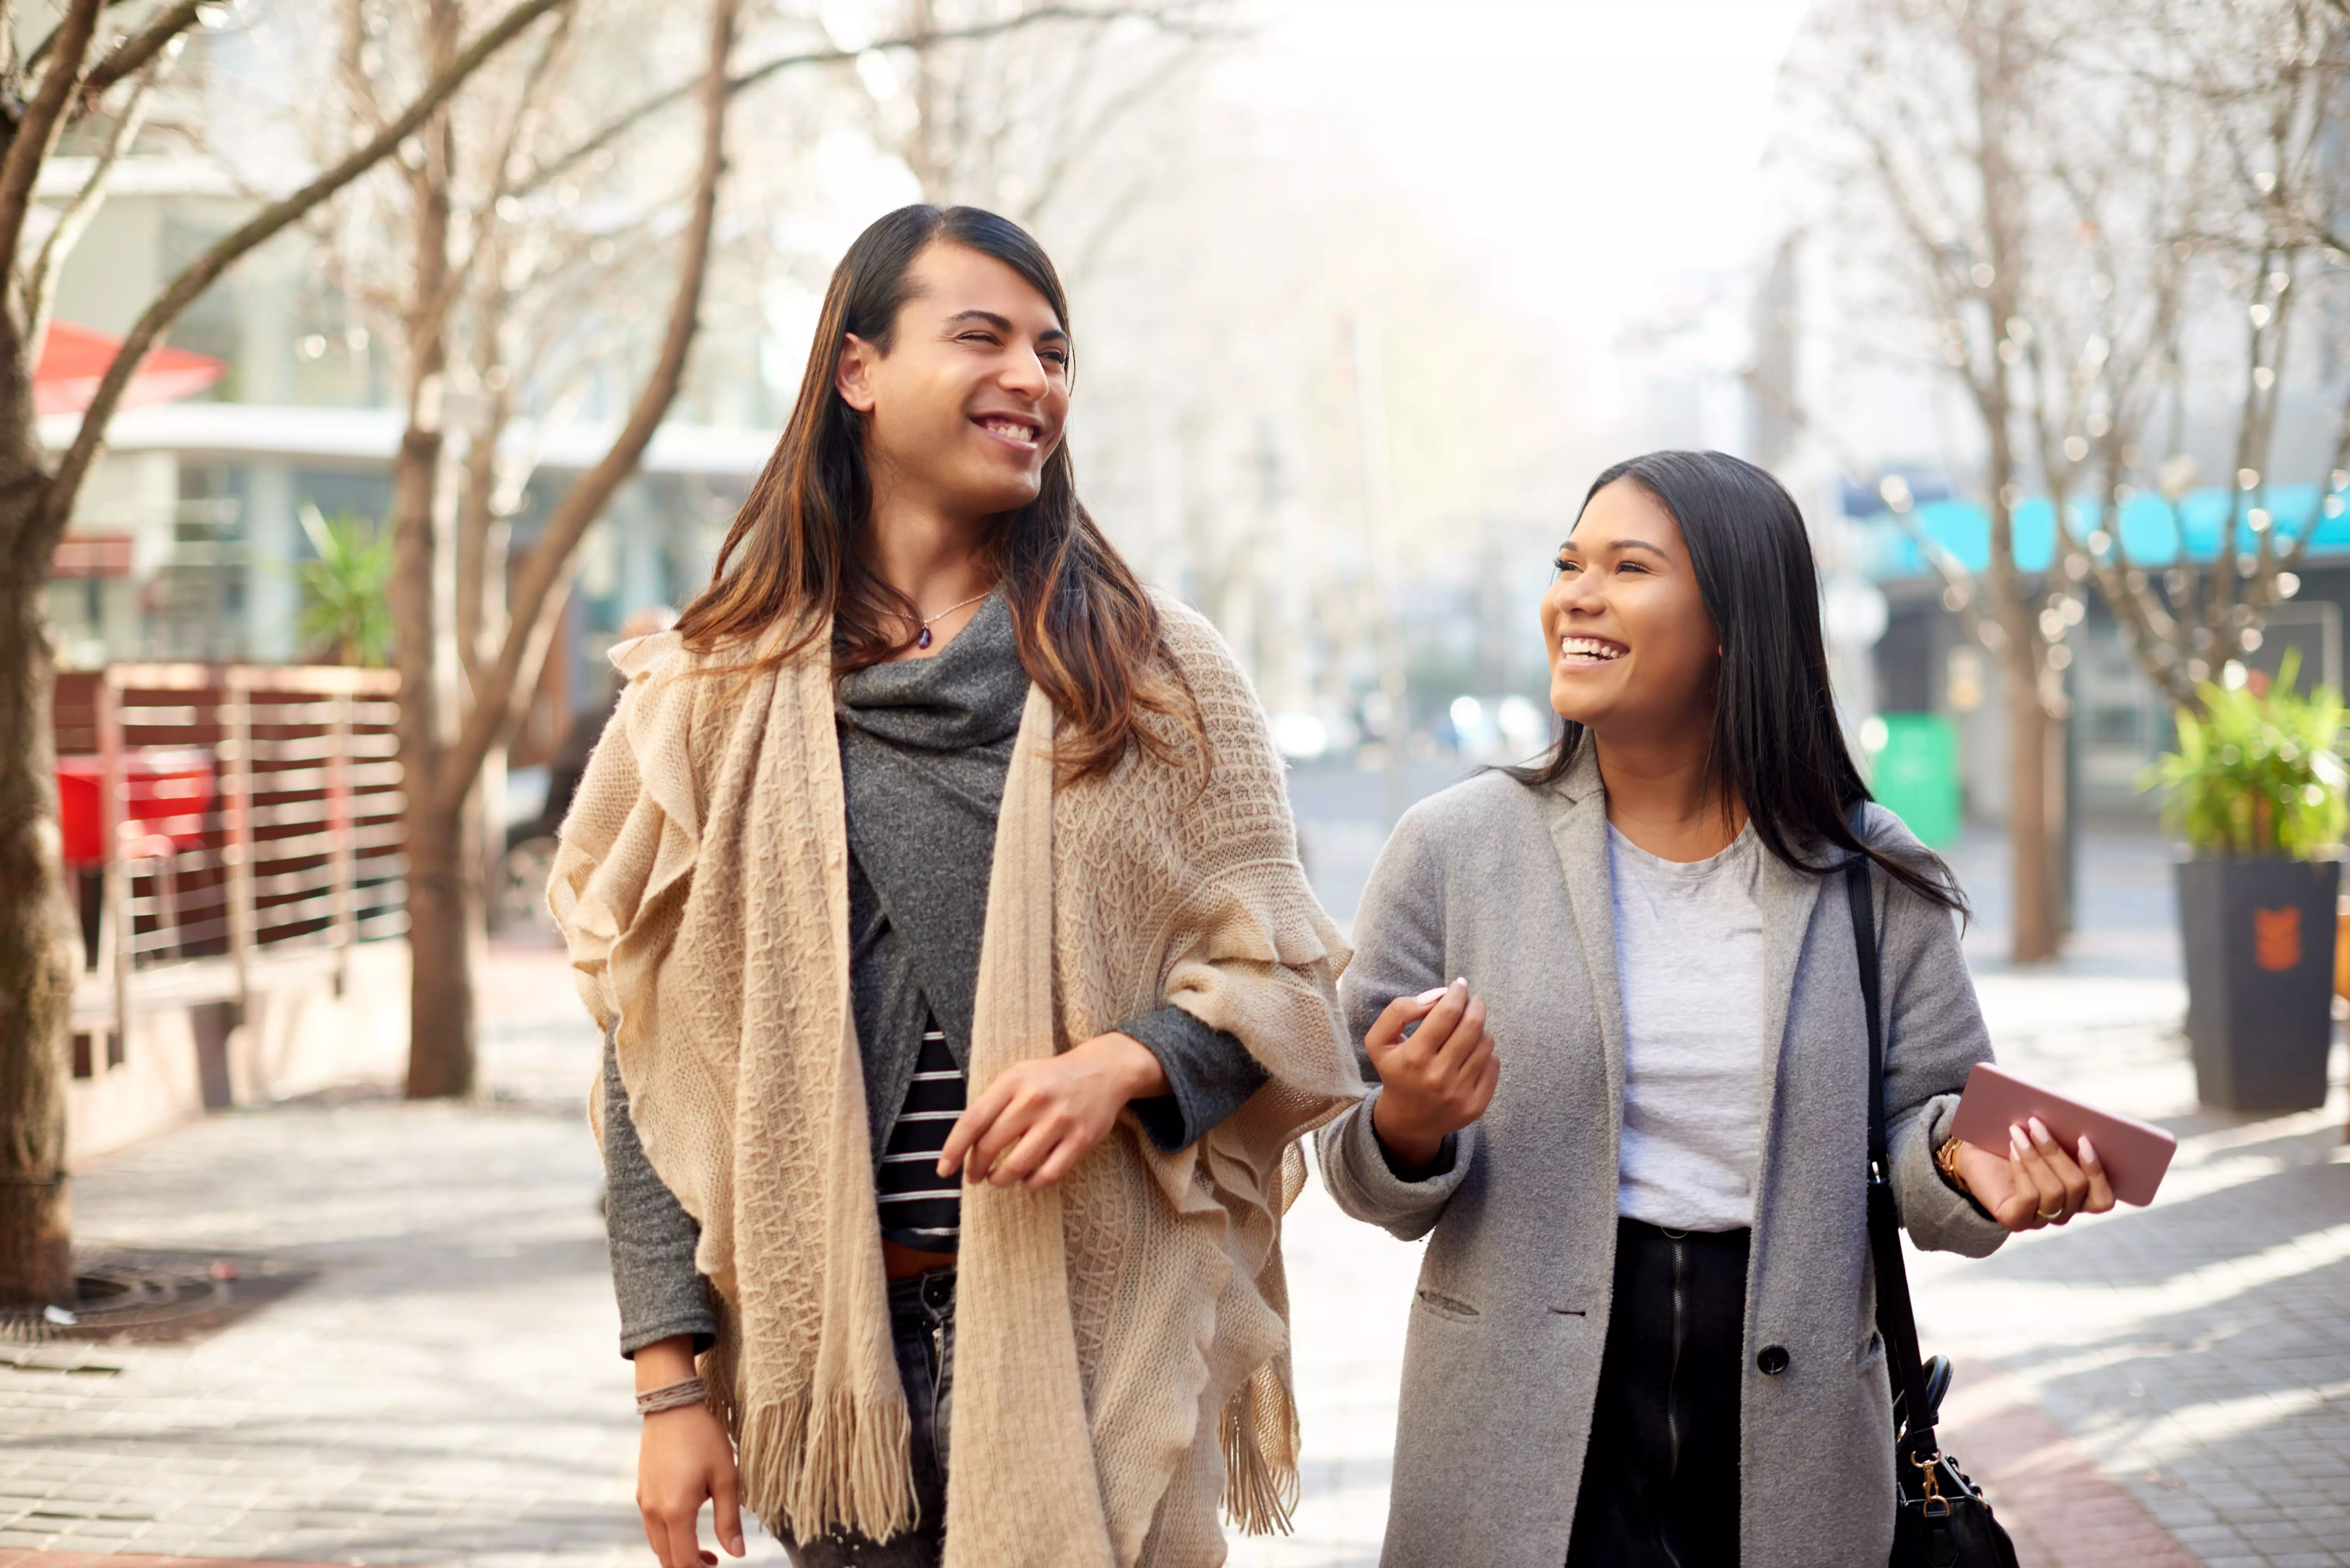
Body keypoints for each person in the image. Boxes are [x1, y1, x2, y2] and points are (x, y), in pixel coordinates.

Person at [549, 205, 1360, 1568]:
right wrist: (670, 1384)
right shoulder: (711, 693)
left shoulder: (1154, 676)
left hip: (1098, 1345)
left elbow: (1284, 995)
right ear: (856, 370)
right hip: (834, 1377)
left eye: (1054, 353)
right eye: (981, 337)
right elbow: (649, 1060)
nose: (1032, 379)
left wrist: (1127, 1063)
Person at [1314, 450, 2114, 1568]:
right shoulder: (1456, 848)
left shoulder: (1871, 872)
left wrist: (1975, 1168)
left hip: (1786, 1420)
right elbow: (1351, 1163)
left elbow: (1929, 1126)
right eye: (1566, 563)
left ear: (1735, 621)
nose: (1575, 596)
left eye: (1627, 566)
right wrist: (1410, 1118)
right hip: (1519, 1419)